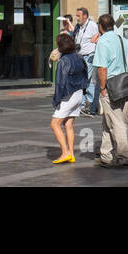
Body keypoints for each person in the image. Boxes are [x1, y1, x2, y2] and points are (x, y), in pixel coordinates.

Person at [94, 13, 128, 168]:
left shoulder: (103, 42)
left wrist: (102, 89)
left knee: (117, 124)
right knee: (109, 122)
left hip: (111, 86)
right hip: (124, 84)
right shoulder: (122, 39)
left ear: (100, 26)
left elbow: (102, 68)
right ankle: (106, 155)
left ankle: (124, 157)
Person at [49, 32, 87, 165]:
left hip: (68, 95)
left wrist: (56, 100)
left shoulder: (63, 61)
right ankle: (71, 153)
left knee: (54, 124)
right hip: (78, 94)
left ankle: (65, 152)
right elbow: (85, 75)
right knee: (68, 124)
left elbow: (60, 83)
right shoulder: (79, 57)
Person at [73, 7, 101, 117]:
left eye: (78, 16)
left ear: (85, 16)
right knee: (88, 82)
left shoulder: (92, 25)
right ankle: (94, 102)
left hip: (89, 56)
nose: (77, 18)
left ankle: (82, 104)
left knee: (83, 79)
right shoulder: (79, 27)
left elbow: (100, 35)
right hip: (81, 56)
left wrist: (95, 42)